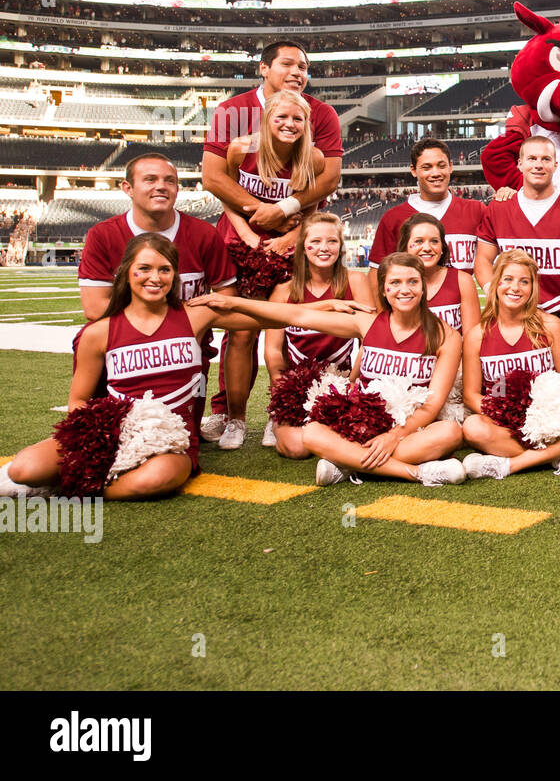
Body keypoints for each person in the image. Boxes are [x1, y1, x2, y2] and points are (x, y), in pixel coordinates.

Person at [1, 235, 273, 500]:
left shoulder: (195, 315)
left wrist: (233, 300)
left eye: (164, 270)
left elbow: (270, 320)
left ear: (175, 275)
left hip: (172, 441)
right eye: (144, 268)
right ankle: (100, 478)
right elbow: (78, 400)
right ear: (125, 272)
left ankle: (71, 489)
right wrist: (99, 438)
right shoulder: (99, 332)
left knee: (159, 478)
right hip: (117, 433)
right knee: (25, 468)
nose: (155, 278)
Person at [193, 253, 466, 486]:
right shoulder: (367, 322)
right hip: (360, 423)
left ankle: (345, 463)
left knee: (450, 432)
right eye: (394, 283)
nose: (404, 290)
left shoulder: (446, 337)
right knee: (311, 433)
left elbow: (431, 406)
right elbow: (296, 315)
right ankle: (416, 472)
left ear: (423, 288)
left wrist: (392, 437)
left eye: (412, 282)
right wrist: (234, 302)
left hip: (409, 429)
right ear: (383, 289)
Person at [203, 89, 326, 450]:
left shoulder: (314, 161)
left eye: (297, 119)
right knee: (240, 335)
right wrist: (244, 232)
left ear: (306, 124)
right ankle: (235, 419)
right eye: (281, 118)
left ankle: (279, 415)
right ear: (266, 119)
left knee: (284, 334)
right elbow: (226, 195)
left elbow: (315, 211)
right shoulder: (241, 149)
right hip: (242, 248)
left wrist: (289, 241)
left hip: (287, 251)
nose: (289, 125)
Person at [77, 152, 236, 418]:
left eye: (169, 181)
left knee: (183, 435)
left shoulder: (204, 234)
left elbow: (226, 297)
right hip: (123, 353)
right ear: (127, 188)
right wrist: (157, 331)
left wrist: (183, 331)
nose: (160, 186)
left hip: (187, 352)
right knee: (110, 431)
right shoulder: (103, 235)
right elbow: (94, 307)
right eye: (149, 179)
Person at [460, 251, 560, 479]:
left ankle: (512, 463)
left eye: (524, 281)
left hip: (549, 421)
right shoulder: (477, 335)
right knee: (472, 427)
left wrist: (547, 415)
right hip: (504, 424)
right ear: (496, 283)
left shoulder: (551, 326)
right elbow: (470, 395)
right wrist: (505, 414)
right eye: (507, 279)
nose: (515, 287)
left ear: (533, 288)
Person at [475, 135, 560, 358]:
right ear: (520, 164)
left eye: (545, 159)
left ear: (555, 165)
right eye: (531, 158)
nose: (538, 165)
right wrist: (497, 299)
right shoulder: (499, 209)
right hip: (513, 318)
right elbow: (482, 260)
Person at [262, 212, 375, 456]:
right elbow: (272, 350)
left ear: (341, 246)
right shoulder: (284, 291)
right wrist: (283, 391)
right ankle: (280, 424)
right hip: (297, 387)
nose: (324, 248)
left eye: (332, 241)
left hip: (342, 384)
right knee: (297, 448)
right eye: (316, 241)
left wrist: (352, 385)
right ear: (303, 247)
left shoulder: (354, 281)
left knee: (359, 436)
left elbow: (370, 340)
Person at [203, 39, 341, 238]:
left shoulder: (324, 113)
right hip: (241, 230)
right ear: (264, 68)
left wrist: (282, 210)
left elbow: (329, 179)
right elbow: (213, 177)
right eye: (286, 64)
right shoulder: (231, 110)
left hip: (295, 230)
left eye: (302, 67)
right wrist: (266, 214)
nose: (297, 72)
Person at [368, 138, 484, 296]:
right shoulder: (393, 218)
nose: (435, 173)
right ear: (414, 170)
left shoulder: (476, 210)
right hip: (412, 313)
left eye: (441, 165)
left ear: (450, 166)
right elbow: (377, 274)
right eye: (427, 167)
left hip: (462, 312)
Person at [397, 212, 480, 335]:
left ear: (442, 247)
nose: (427, 248)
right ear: (405, 247)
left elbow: (472, 339)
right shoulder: (394, 284)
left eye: (434, 241)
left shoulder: (462, 281)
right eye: (419, 241)